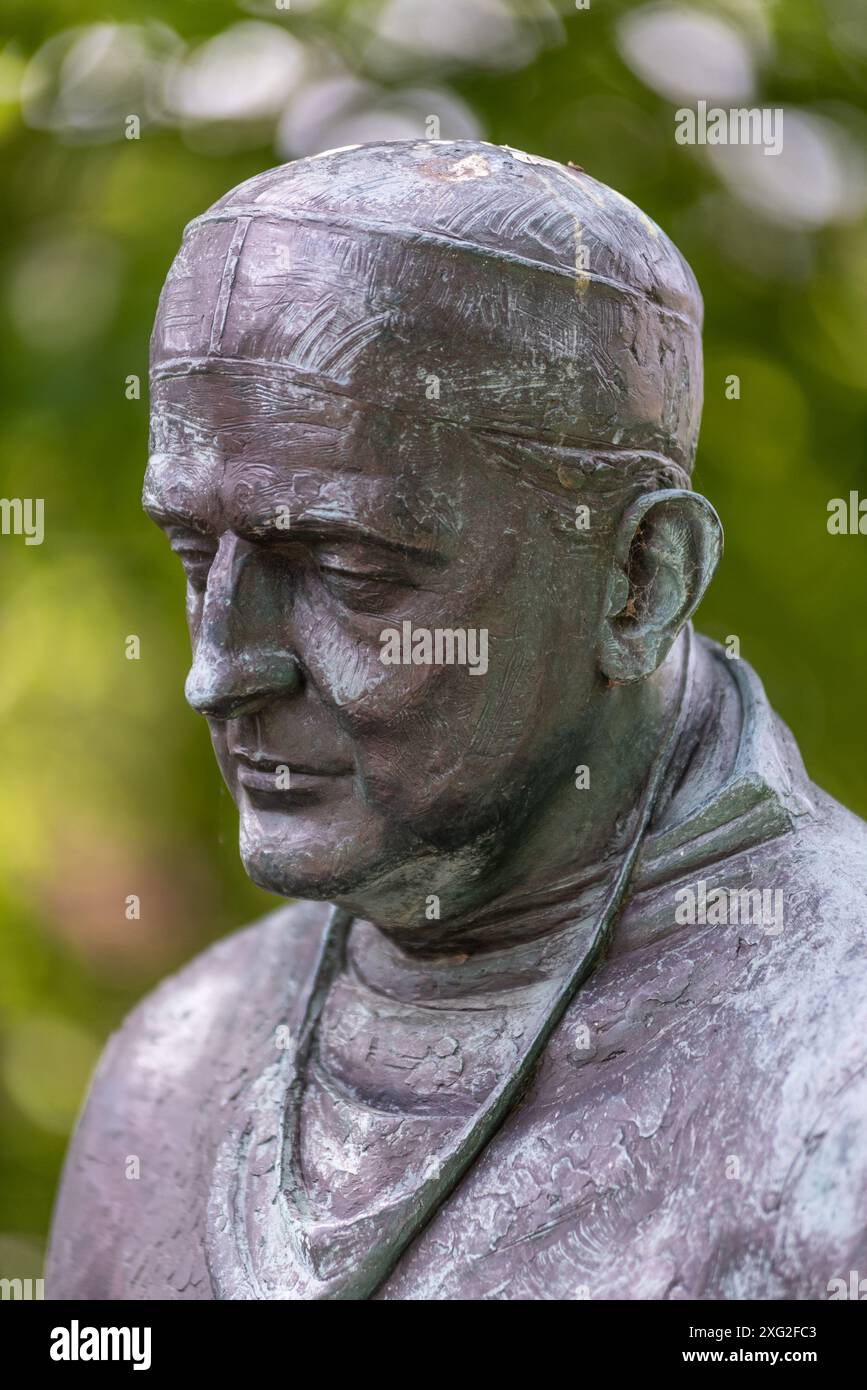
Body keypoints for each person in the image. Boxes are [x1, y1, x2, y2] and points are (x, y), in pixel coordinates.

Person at [47, 141, 867, 1301]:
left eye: (344, 567)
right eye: (196, 555)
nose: (221, 671)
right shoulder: (176, 1068)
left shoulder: (835, 1088)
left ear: (640, 577)